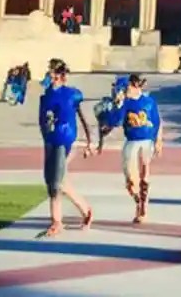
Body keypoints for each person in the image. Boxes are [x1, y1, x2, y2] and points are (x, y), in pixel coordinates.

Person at [39, 60, 94, 237]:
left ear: (61, 75)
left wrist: (89, 141)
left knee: (56, 183)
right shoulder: (45, 96)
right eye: (49, 72)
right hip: (50, 139)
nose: (50, 76)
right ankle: (86, 210)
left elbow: (83, 117)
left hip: (65, 139)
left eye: (53, 72)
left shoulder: (72, 95)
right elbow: (43, 120)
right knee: (54, 182)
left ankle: (56, 222)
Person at [101, 74, 162, 223]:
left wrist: (159, 140)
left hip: (146, 140)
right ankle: (137, 199)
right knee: (130, 180)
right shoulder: (125, 103)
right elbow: (114, 121)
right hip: (132, 141)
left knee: (144, 174)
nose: (124, 90)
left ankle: (143, 207)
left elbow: (158, 121)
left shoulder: (148, 101)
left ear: (135, 85)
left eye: (126, 87)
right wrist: (117, 105)